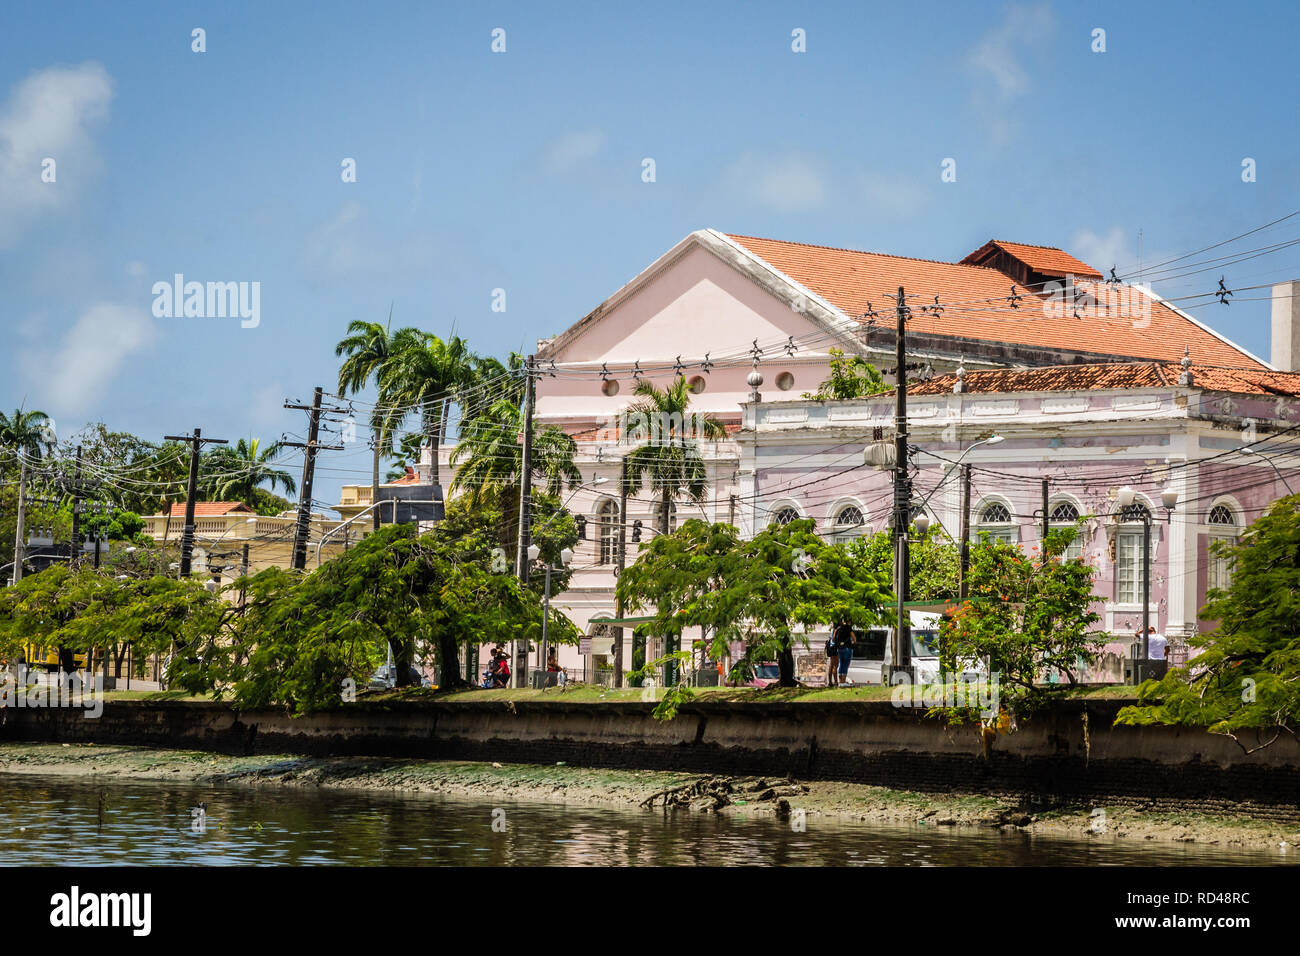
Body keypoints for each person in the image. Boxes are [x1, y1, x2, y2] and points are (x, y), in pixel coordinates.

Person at [833, 620, 856, 687]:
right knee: (846, 664)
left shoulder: (838, 628)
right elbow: (854, 638)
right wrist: (852, 643)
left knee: (841, 664)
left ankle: (840, 682)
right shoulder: (848, 627)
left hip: (840, 649)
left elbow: (833, 639)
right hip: (847, 648)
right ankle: (843, 682)